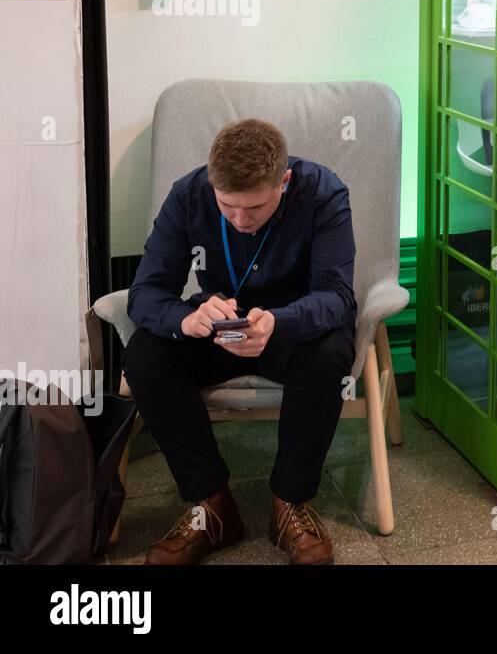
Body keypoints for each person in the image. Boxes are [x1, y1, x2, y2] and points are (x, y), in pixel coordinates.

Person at [124, 119, 357, 564]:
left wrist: (279, 322)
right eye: (228, 206)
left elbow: (336, 295)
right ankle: (211, 506)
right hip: (219, 326)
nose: (240, 220)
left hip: (293, 327)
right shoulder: (189, 194)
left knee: (330, 353)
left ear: (283, 182)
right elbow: (146, 293)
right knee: (145, 354)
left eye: (254, 208)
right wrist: (187, 319)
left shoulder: (324, 193)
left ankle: (290, 504)